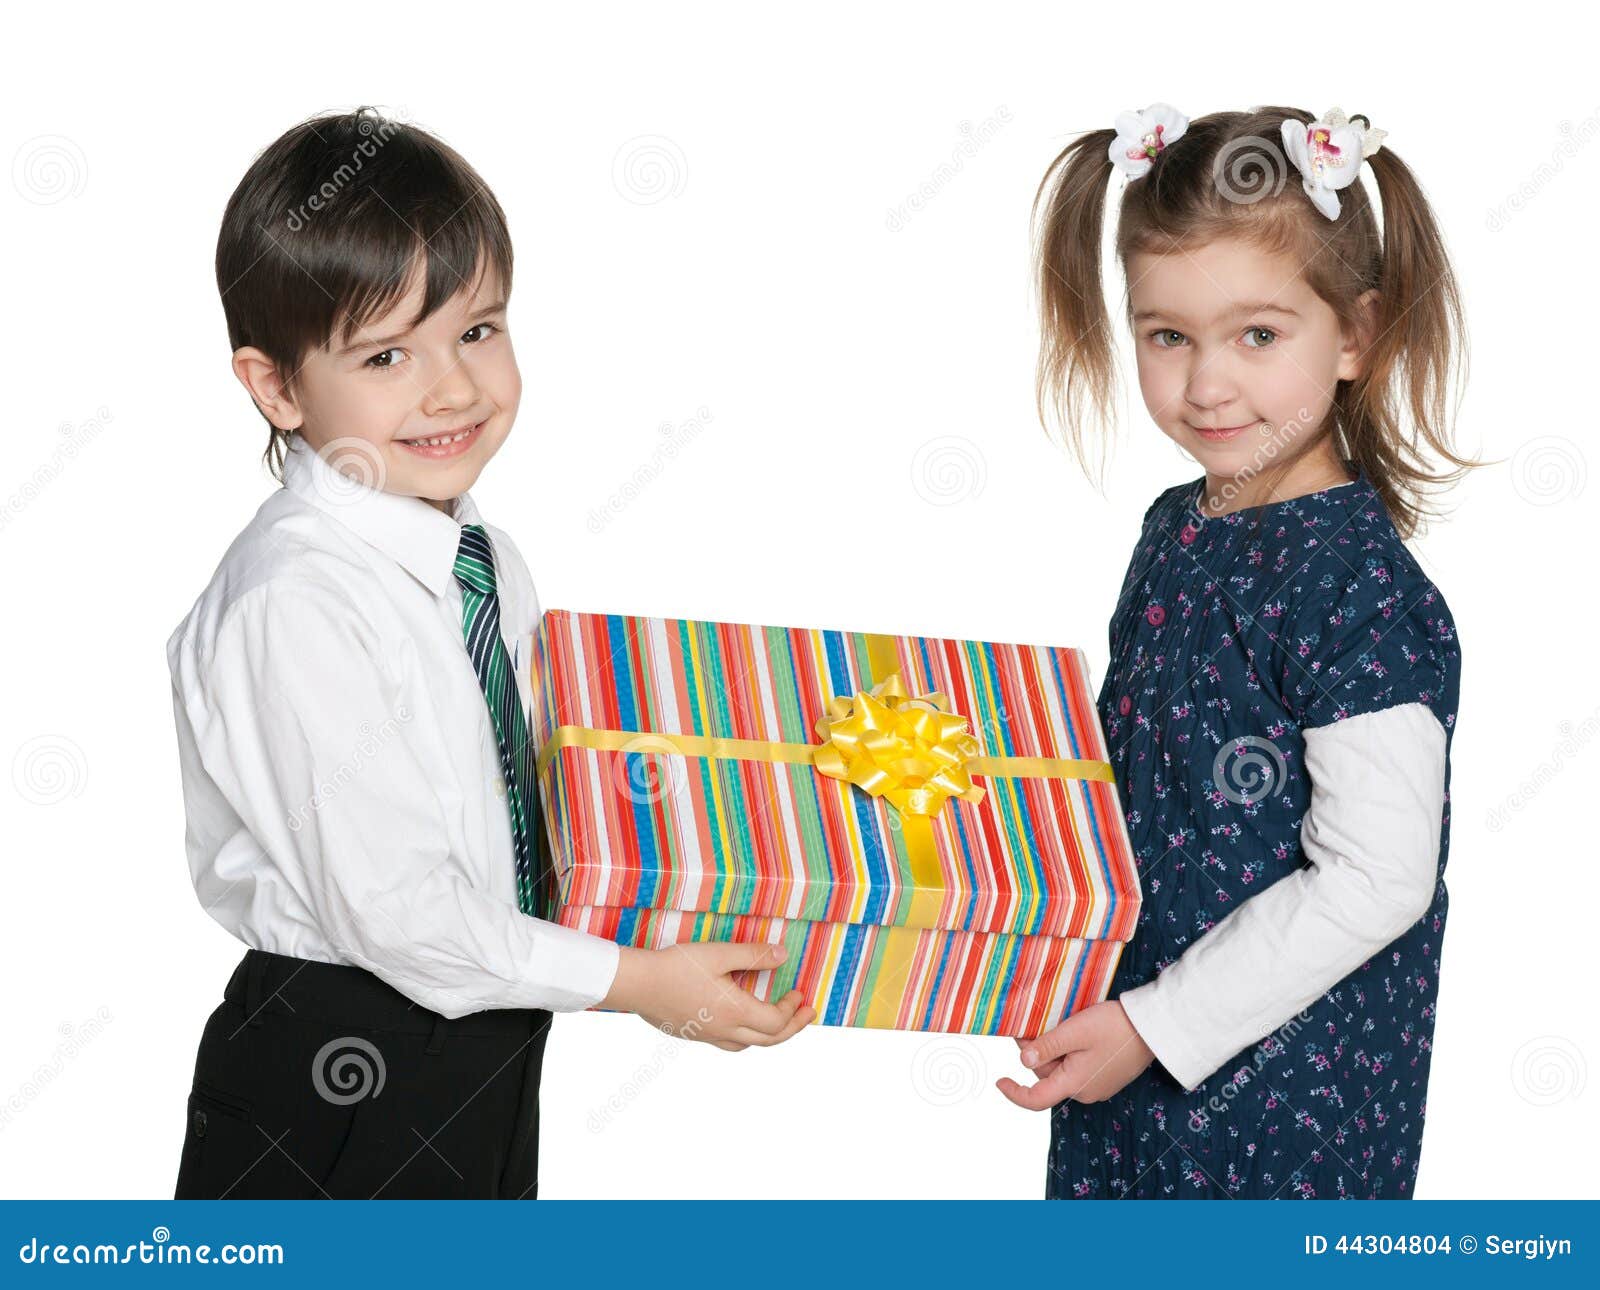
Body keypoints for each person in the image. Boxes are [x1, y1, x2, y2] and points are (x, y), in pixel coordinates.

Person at [167, 106, 813, 1200]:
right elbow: (400, 913)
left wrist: (688, 922)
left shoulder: (482, 559)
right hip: (339, 1062)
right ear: (276, 387)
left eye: (477, 330)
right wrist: (640, 981)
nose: (454, 389)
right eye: (386, 354)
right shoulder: (297, 601)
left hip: (488, 1034)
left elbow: (547, 796)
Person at [998, 103, 1481, 1198]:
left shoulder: (1355, 591)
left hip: (1278, 1110)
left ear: (1354, 335)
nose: (1206, 385)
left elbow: (1378, 876)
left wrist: (1153, 1025)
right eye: (1167, 336)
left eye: (1257, 335)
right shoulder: (1178, 526)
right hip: (1126, 1048)